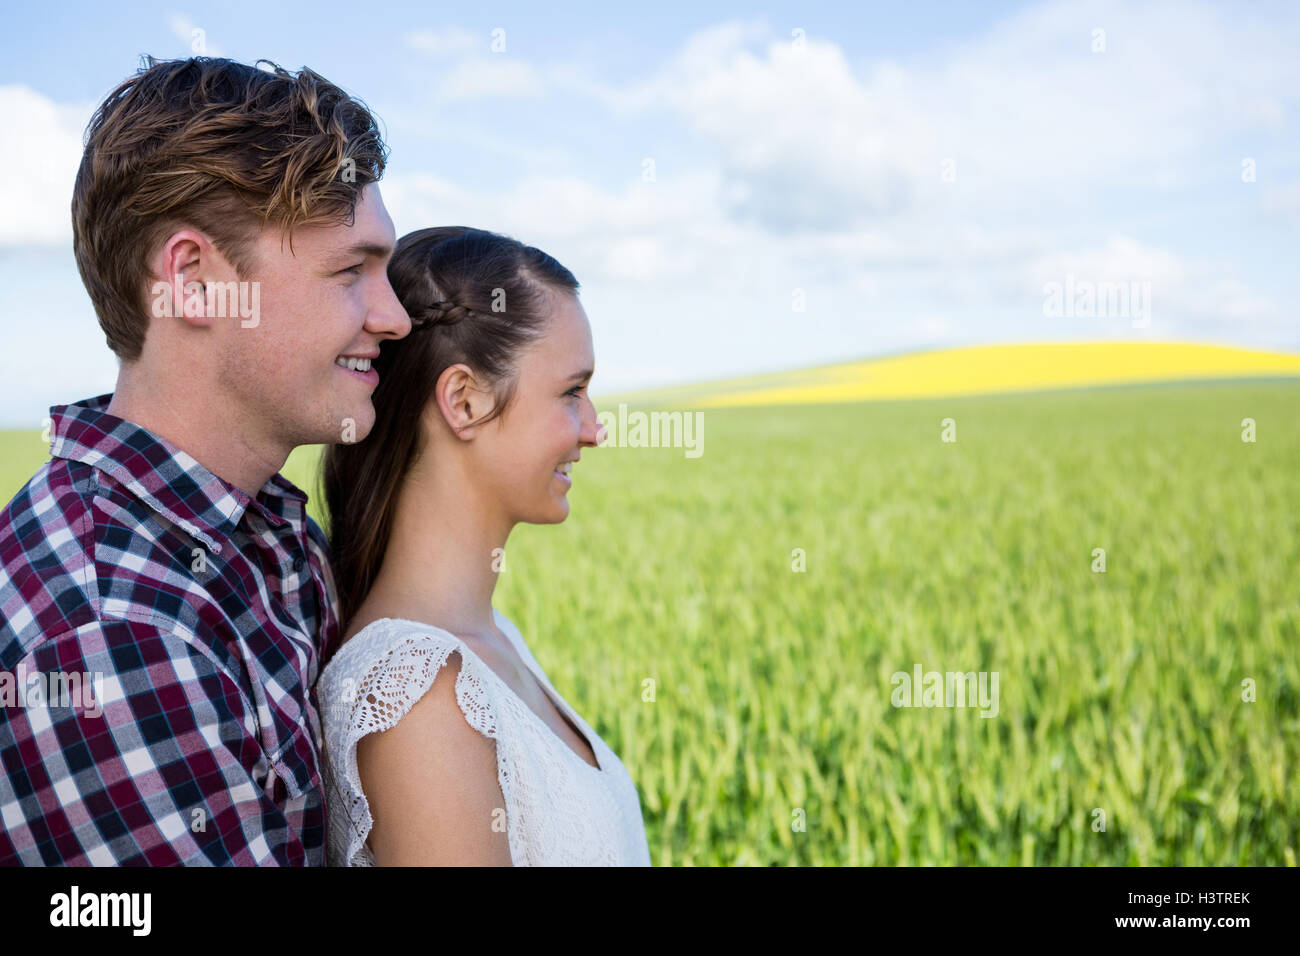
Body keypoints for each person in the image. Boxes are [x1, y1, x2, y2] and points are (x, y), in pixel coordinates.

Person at [0, 56, 409, 865]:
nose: (393, 316)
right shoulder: (111, 634)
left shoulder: (268, 534)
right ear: (194, 281)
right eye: (350, 271)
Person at [318, 226, 651, 865]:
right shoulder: (417, 698)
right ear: (464, 402)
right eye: (571, 393)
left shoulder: (491, 639)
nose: (595, 430)